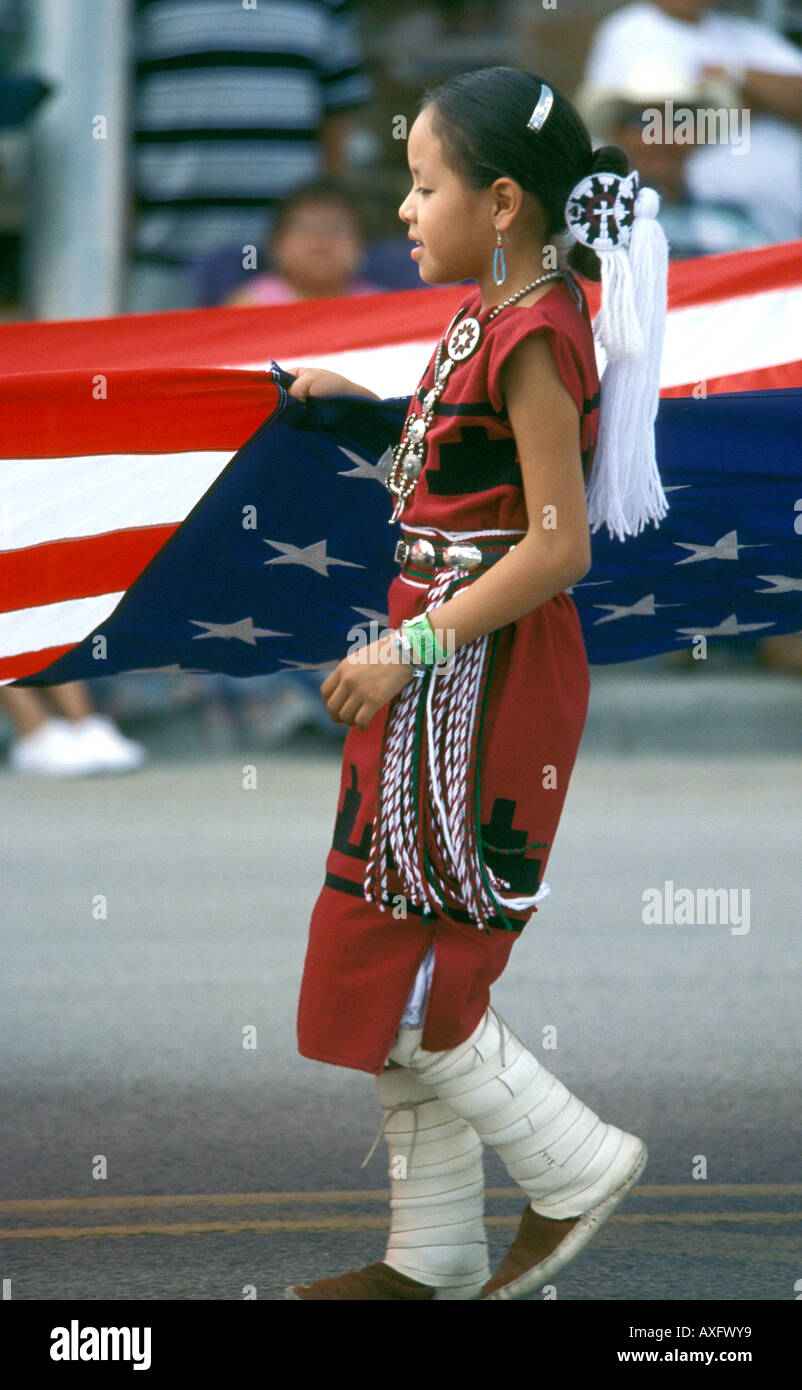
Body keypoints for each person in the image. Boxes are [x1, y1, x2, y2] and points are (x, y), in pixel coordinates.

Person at [279, 66, 669, 1300]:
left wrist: (407, 650)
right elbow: (452, 467)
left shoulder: (539, 330)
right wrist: (361, 419)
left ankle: (575, 1157)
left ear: (502, 202)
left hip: (485, 678)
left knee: (415, 959)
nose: (403, 207)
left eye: (424, 183)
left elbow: (554, 547)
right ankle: (432, 1253)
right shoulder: (486, 316)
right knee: (379, 942)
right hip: (441, 667)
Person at [578, 0, 802, 246]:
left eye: (678, 120)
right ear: (617, 131)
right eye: (643, 121)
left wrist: (734, 75)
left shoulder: (734, 233)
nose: (661, 133)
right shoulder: (592, 231)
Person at [225, 179, 381, 307]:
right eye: (306, 228)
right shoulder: (250, 304)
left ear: (362, 247)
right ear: (276, 246)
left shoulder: (379, 306)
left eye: (337, 229)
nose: (321, 241)